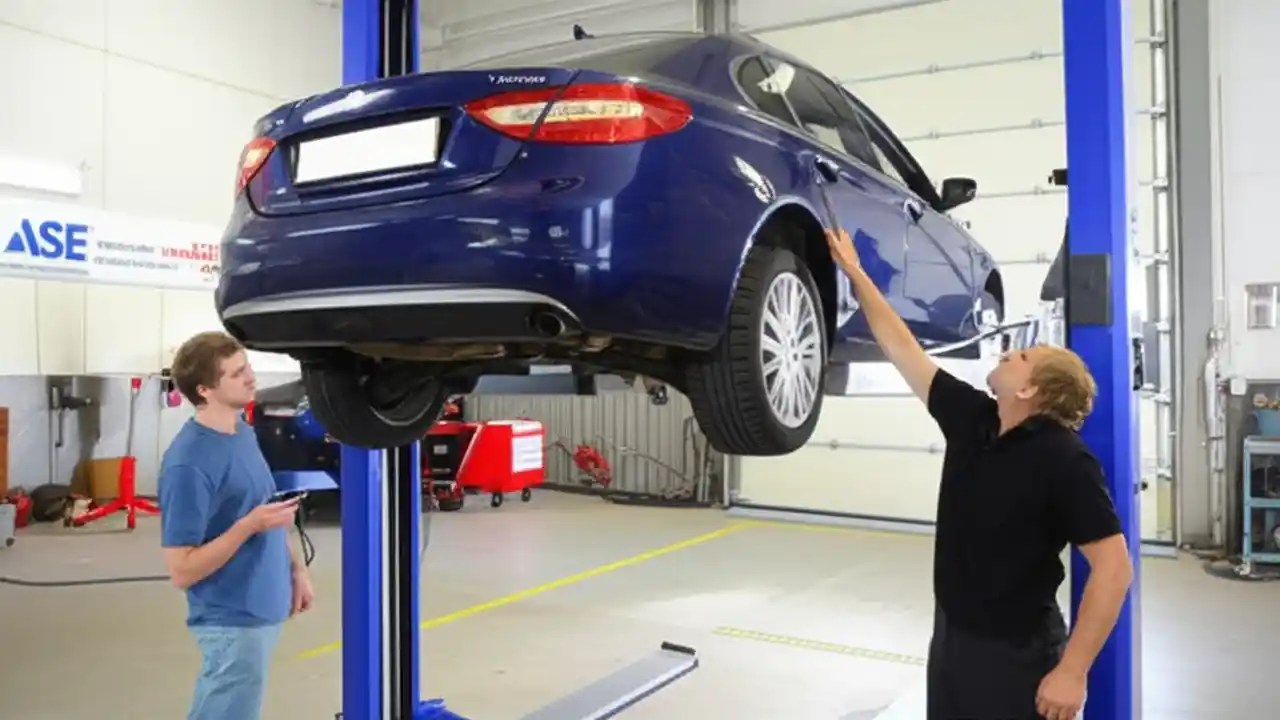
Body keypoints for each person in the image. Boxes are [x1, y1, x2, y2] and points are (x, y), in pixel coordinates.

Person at [824, 227, 1133, 720]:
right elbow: (905, 350)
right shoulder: (973, 419)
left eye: (1023, 356)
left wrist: (1072, 671)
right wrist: (856, 273)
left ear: (1033, 390)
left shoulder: (1065, 460)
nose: (1009, 353)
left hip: (1019, 656)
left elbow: (1114, 569)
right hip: (951, 640)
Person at [157, 331, 316, 720]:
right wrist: (248, 526)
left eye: (247, 367)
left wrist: (295, 569)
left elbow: (266, 509)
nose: (250, 378)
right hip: (232, 620)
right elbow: (182, 569)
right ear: (205, 390)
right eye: (236, 373)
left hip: (263, 606)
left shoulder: (240, 433)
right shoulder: (188, 464)